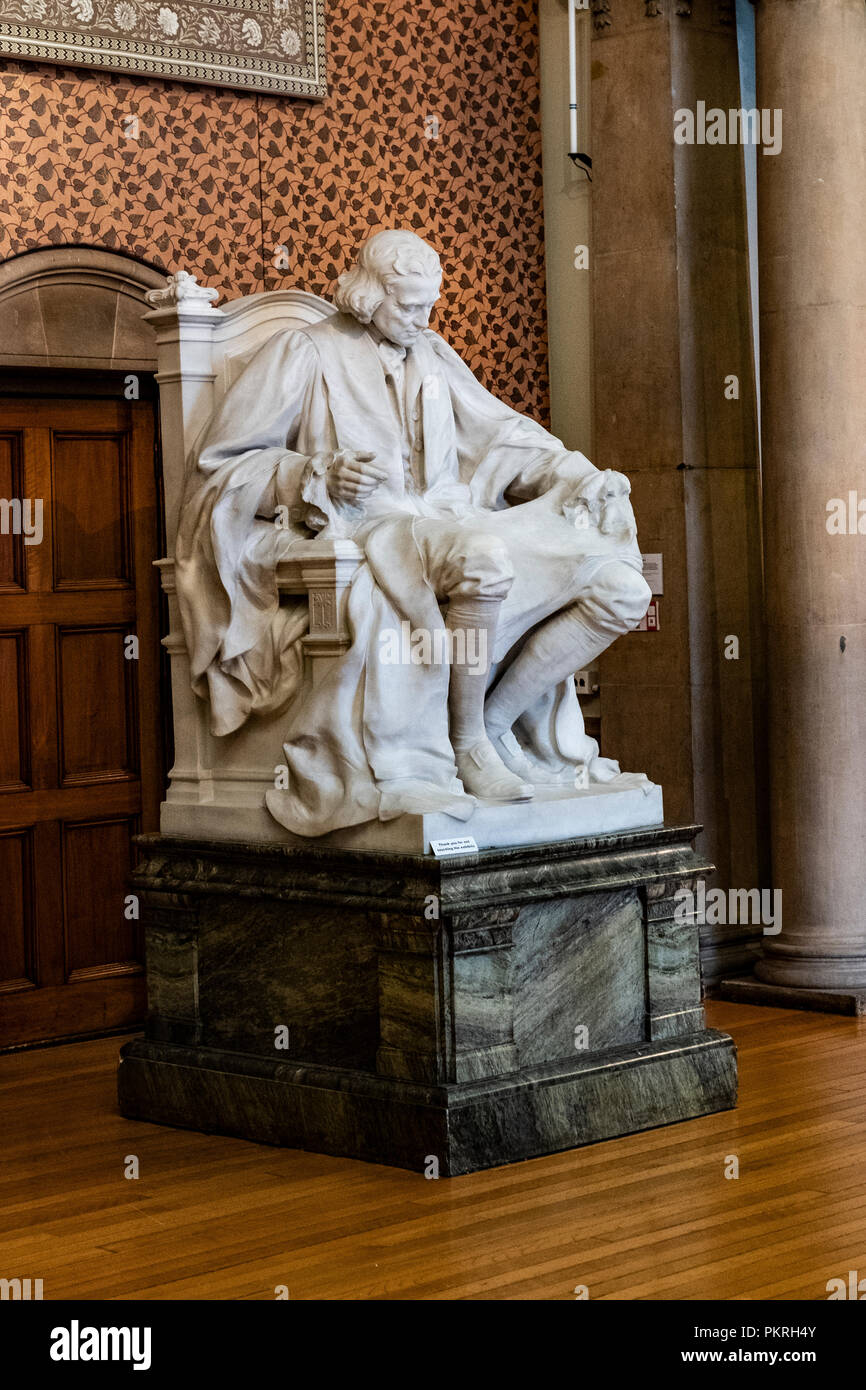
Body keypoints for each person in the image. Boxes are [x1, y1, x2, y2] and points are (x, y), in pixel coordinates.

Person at [174, 229, 651, 836]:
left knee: (620, 587)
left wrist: (579, 475)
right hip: (377, 529)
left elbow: (502, 435)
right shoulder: (305, 352)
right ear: (368, 296)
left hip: (452, 521)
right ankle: (467, 742)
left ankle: (493, 729)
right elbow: (222, 468)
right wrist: (312, 474)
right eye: (407, 305)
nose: (422, 319)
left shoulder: (431, 353)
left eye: (430, 305)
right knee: (482, 557)